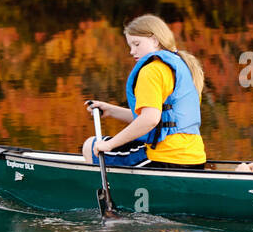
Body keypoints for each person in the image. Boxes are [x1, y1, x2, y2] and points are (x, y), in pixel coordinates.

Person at [83, 15, 206, 170]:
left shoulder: (152, 70)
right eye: (130, 46)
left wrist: (109, 145)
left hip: (163, 157)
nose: (132, 51)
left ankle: (105, 192)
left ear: (155, 40)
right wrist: (111, 111)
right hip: (195, 159)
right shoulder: (184, 66)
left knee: (90, 146)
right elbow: (159, 119)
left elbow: (150, 120)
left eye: (136, 44)